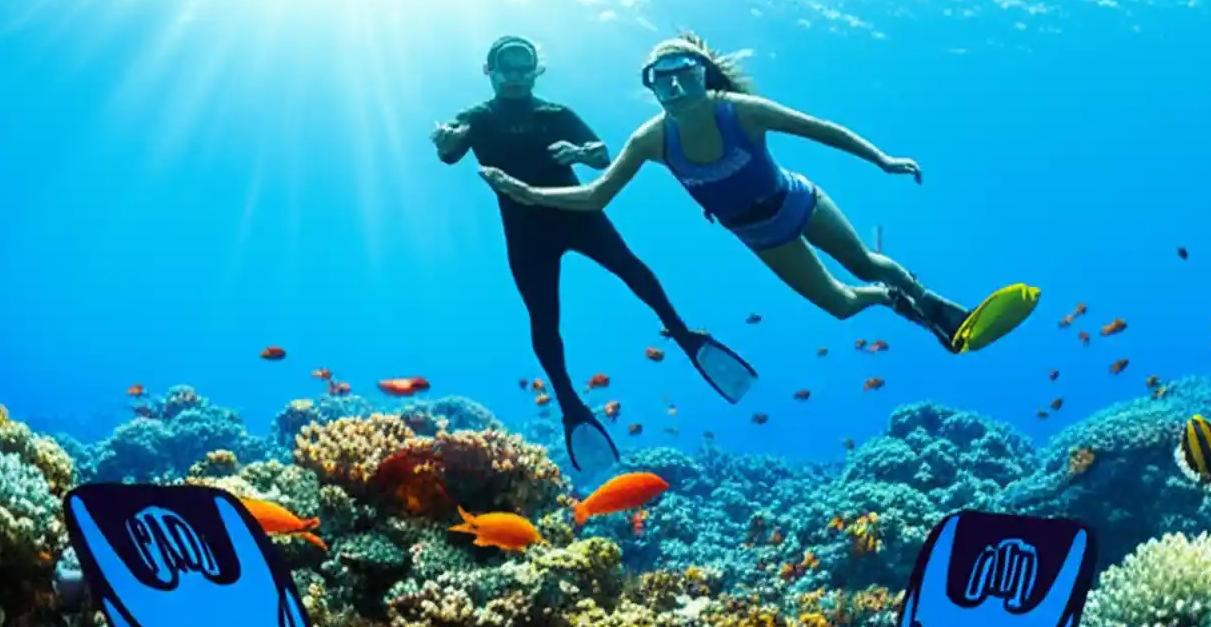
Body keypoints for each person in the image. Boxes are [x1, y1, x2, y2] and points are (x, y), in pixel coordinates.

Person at [479, 31, 1036, 353]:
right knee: (843, 305)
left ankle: (939, 306)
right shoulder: (651, 139)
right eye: (660, 78)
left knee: (867, 261)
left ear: (704, 75)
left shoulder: (741, 112)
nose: (675, 87)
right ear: (650, 87)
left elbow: (825, 130)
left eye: (685, 74)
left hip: (798, 201)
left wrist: (883, 160)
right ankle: (895, 303)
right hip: (759, 233)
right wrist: (525, 193)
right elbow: (596, 197)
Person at [432, 35, 756, 470]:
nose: (514, 76)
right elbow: (450, 152)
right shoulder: (477, 118)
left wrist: (580, 151)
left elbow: (602, 156)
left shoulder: (555, 114)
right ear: (488, 71)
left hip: (574, 212)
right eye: (505, 67)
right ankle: (569, 404)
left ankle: (683, 335)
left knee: (632, 269)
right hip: (526, 234)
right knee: (544, 318)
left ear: (536, 70)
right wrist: (444, 140)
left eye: (523, 66)